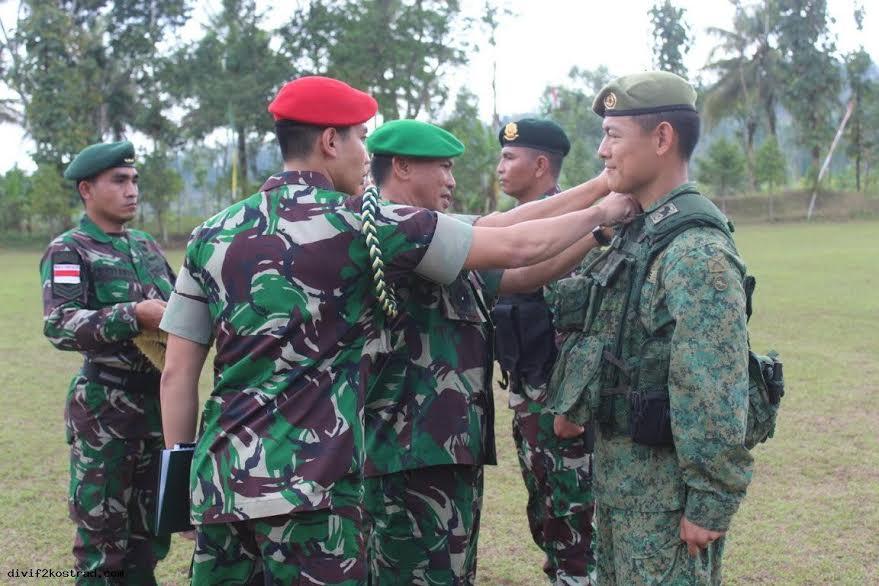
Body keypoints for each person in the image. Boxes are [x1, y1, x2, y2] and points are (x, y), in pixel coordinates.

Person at [157, 76, 638, 585]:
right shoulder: (365, 226)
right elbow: (514, 245)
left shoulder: (211, 234)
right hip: (311, 487)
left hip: (219, 480)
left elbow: (176, 373)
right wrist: (605, 210)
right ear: (329, 141)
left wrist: (179, 485)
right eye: (360, 138)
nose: (366, 154)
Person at [362, 119, 623, 585]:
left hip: (446, 447)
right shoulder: (390, 227)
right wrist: (603, 202)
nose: (451, 179)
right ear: (400, 167)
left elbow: (519, 273)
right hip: (405, 452)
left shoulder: (435, 231)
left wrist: (599, 220)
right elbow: (515, 242)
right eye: (441, 167)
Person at [546, 71, 753, 585]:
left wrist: (709, 500)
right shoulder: (636, 231)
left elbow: (712, 386)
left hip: (664, 503)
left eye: (614, 135)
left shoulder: (694, 250)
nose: (601, 151)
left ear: (662, 139)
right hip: (620, 488)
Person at [40, 141, 175, 584]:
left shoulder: (146, 246)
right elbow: (60, 322)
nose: (131, 190)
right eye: (119, 181)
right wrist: (133, 314)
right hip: (105, 412)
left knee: (149, 538)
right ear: (86, 189)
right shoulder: (70, 250)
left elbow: (180, 304)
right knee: (103, 543)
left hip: (156, 407)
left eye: (134, 180)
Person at [493, 118, 598, 585]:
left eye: (509, 157)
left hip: (561, 403)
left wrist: (574, 406)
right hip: (530, 395)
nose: (499, 167)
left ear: (540, 165)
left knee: (572, 520)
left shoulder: (576, 226)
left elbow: (589, 325)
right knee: (547, 513)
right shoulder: (518, 228)